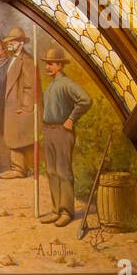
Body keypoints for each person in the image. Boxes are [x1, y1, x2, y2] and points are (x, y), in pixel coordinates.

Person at [39, 46, 92, 226]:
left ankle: (66, 212)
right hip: (49, 131)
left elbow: (85, 100)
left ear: (60, 65)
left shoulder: (67, 84)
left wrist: (71, 118)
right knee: (52, 172)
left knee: (63, 172)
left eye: (51, 64)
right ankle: (56, 210)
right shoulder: (51, 85)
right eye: (46, 64)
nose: (47, 67)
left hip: (62, 132)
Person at [0, 26, 38, 179]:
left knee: (21, 137)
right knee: (12, 136)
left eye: (13, 41)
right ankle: (17, 168)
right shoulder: (11, 60)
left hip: (19, 107)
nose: (9, 44)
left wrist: (26, 107)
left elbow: (30, 85)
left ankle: (21, 169)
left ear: (21, 43)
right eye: (8, 42)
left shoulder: (27, 60)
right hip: (10, 106)